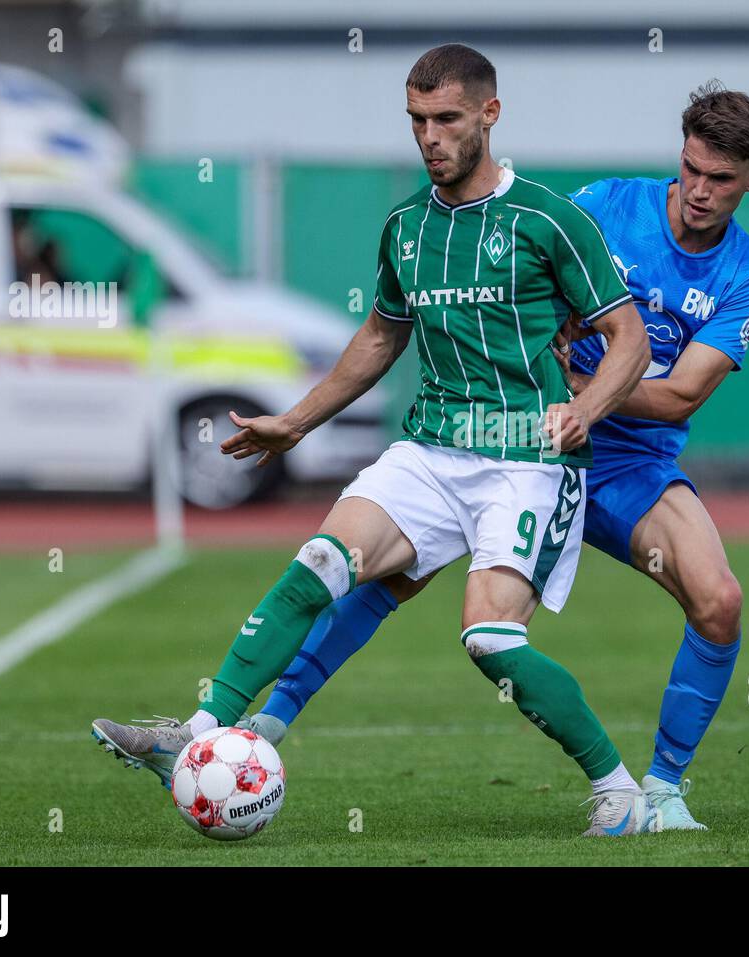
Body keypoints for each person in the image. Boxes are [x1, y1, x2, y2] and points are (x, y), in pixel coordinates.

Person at [92, 43, 657, 837]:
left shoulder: (549, 219)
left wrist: (586, 409)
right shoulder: (404, 227)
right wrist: (297, 419)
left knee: (489, 639)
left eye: (447, 119)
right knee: (322, 561)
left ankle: (620, 791)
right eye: (417, 121)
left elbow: (628, 339)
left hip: (528, 460)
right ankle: (203, 725)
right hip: (431, 450)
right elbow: (380, 335)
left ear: (489, 116)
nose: (430, 137)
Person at [251, 82, 749, 832]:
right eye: (691, 168)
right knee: (381, 573)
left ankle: (659, 789)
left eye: (721, 179)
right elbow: (524, 289)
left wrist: (581, 385)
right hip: (518, 439)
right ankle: (257, 735)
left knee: (720, 601)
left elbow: (679, 396)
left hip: (628, 465)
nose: (699, 190)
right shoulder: (601, 206)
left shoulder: (748, 277)